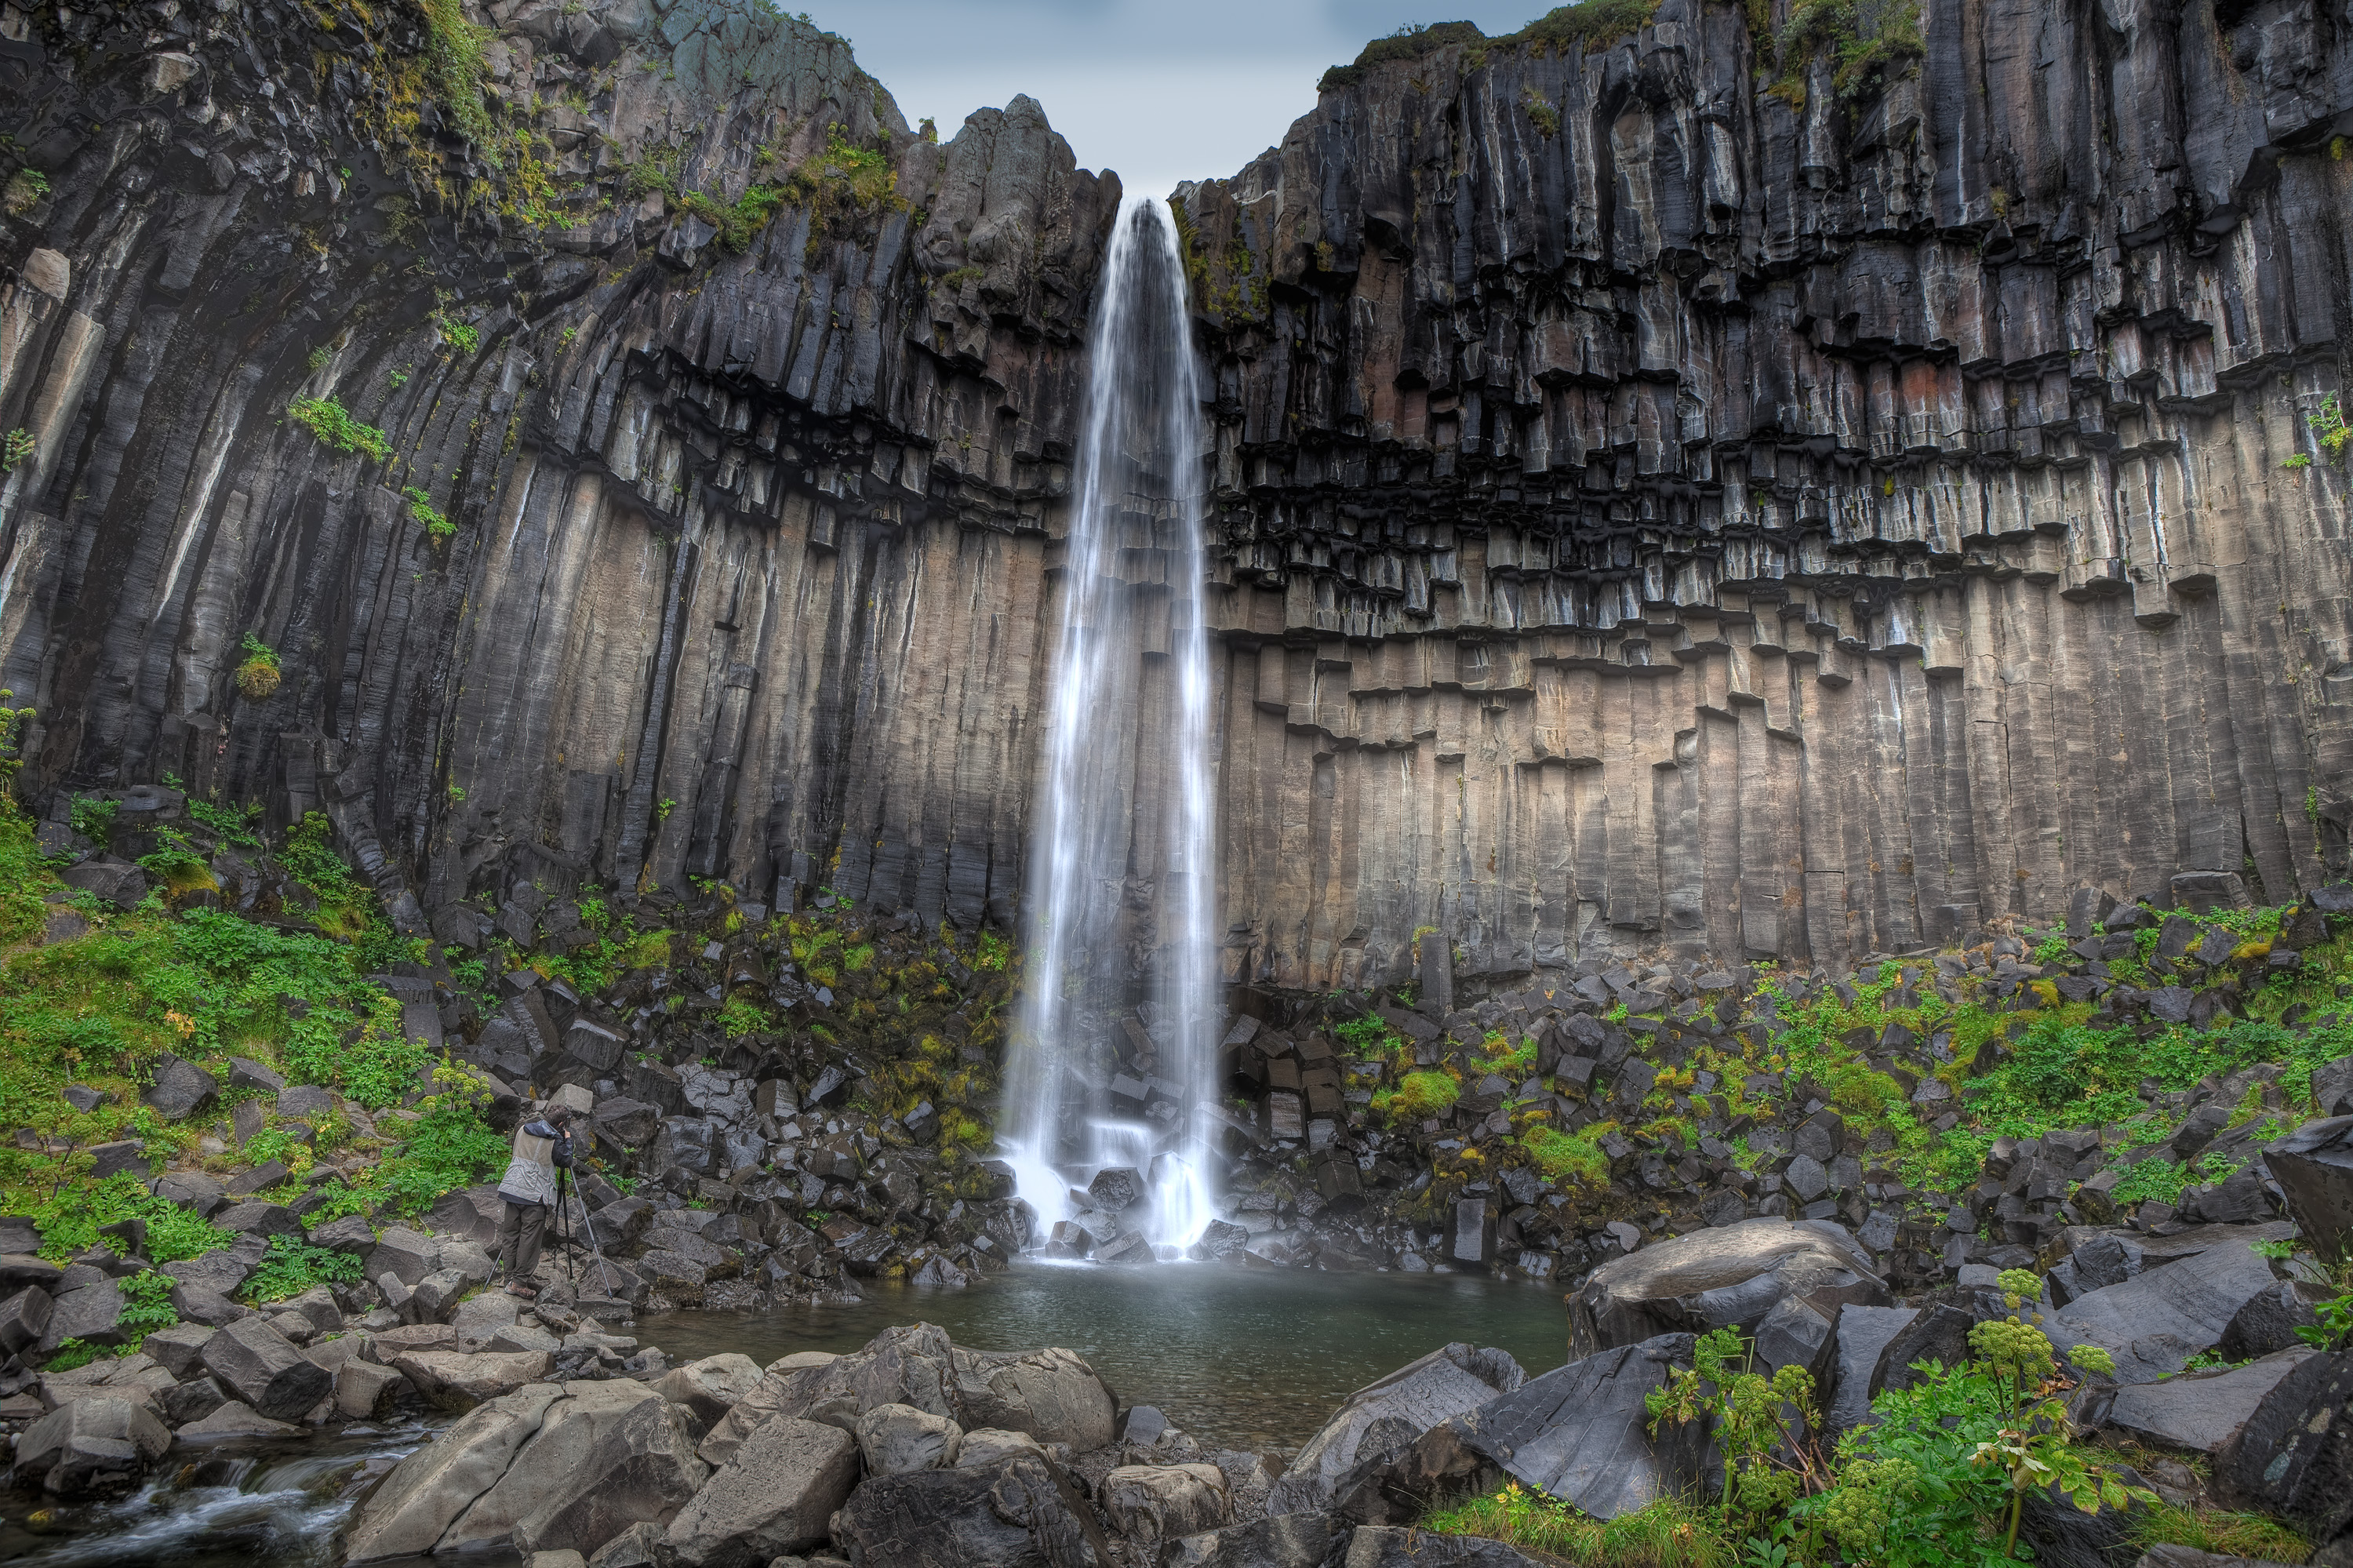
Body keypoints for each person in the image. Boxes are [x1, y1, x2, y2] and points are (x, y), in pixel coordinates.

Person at [493, 1103, 574, 1297]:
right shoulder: (555, 1141)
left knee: (511, 1235)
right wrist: (568, 1141)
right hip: (534, 1195)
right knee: (529, 1238)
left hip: (512, 1188)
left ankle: (508, 1277)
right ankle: (519, 1283)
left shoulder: (523, 1129)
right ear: (562, 1123)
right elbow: (565, 1160)